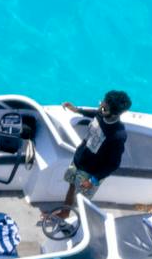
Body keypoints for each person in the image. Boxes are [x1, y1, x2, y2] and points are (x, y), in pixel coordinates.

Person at [51, 91, 132, 220]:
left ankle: (81, 225)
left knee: (83, 201)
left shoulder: (118, 135)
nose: (100, 107)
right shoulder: (103, 113)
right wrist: (76, 110)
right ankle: (65, 213)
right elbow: (96, 113)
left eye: (104, 107)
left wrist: (93, 180)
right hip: (79, 160)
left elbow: (113, 164)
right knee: (72, 185)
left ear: (114, 113)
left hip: (91, 173)